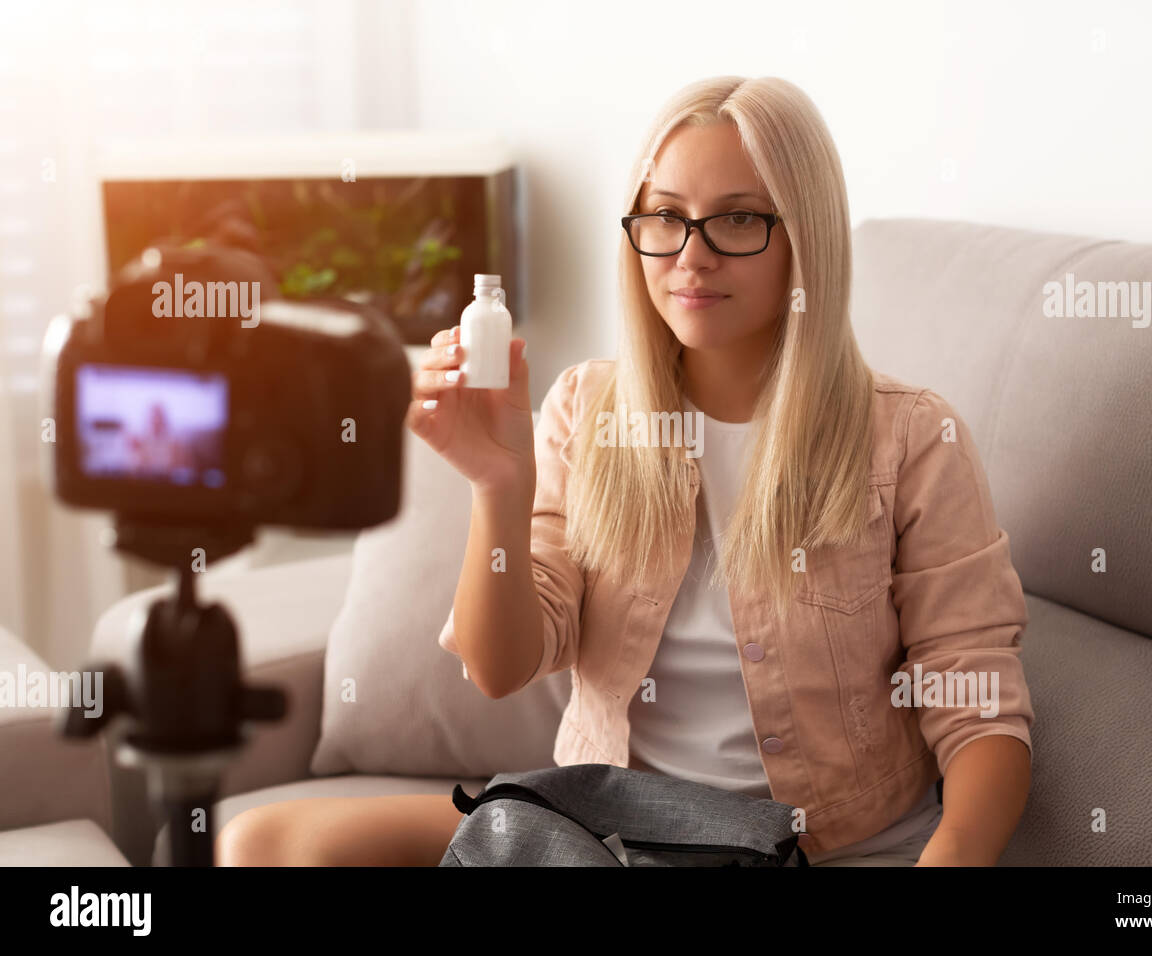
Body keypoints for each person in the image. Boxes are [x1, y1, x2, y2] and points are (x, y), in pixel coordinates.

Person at [216, 75, 1033, 867]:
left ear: (805, 237)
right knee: (261, 845)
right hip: (606, 826)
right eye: (666, 218)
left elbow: (980, 709)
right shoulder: (589, 408)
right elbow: (500, 668)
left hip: (811, 847)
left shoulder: (912, 439)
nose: (691, 256)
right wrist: (497, 487)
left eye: (738, 220)